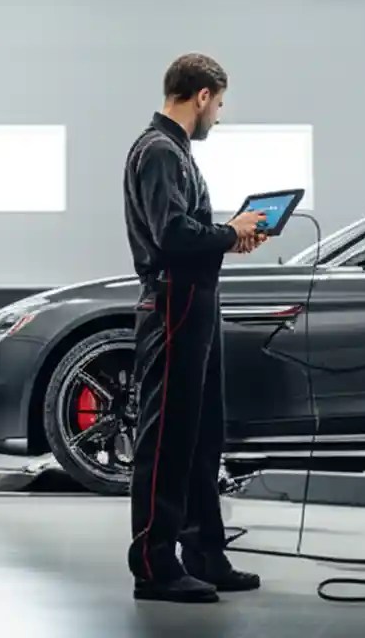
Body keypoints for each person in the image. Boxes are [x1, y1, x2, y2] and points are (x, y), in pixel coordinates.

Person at [122, 53, 268, 604]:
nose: (220, 117)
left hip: (196, 300)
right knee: (165, 440)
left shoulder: (174, 153)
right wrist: (229, 233)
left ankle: (205, 553)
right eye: (221, 104)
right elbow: (173, 236)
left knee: (203, 437)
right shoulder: (159, 151)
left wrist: (231, 233)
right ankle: (155, 567)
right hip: (173, 302)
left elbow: (188, 227)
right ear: (202, 96)